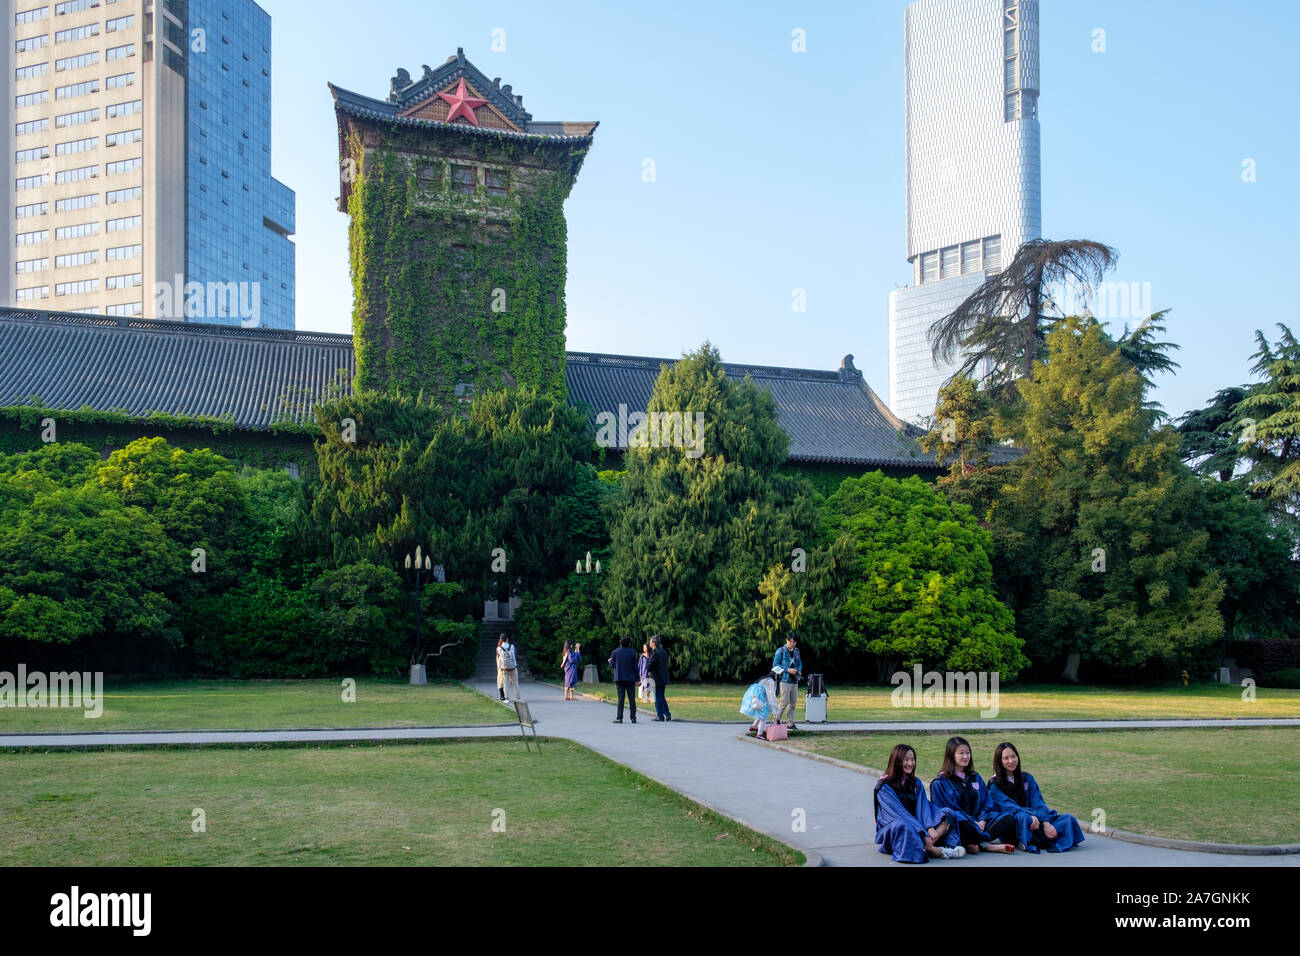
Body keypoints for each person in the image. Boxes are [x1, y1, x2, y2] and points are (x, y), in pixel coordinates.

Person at [873, 743, 965, 863]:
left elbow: (922, 808)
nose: (910, 764)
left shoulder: (915, 782)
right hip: (893, 828)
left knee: (947, 813)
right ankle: (935, 850)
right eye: (906, 760)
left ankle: (929, 844)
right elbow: (898, 812)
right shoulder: (884, 786)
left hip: (919, 825)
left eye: (912, 760)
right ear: (896, 761)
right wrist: (922, 831)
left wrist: (929, 828)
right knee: (903, 824)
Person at [987, 742, 1085, 853]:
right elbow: (1008, 807)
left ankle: (1040, 839)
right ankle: (1025, 840)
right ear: (999, 761)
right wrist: (1032, 815)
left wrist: (1045, 822)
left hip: (1037, 820)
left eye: (1013, 756)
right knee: (1023, 816)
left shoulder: (1027, 778)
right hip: (1016, 824)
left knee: (1068, 819)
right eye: (1006, 758)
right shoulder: (994, 783)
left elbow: (1038, 802)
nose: (1011, 761)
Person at [928, 736, 1016, 855]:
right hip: (962, 825)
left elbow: (987, 802)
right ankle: (985, 845)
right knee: (960, 821)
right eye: (961, 753)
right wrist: (972, 822)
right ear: (951, 755)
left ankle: (977, 843)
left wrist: (982, 820)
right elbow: (948, 811)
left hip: (980, 824)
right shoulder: (941, 782)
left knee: (1008, 818)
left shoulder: (975, 777)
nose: (965, 756)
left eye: (968, 753)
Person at [772, 632, 802, 729]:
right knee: (784, 702)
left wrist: (799, 670)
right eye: (790, 641)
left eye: (793, 642)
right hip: (784, 680)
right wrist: (788, 670)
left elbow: (799, 663)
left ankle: (790, 723)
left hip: (794, 681)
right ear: (787, 640)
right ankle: (776, 720)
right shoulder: (780, 651)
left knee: (793, 703)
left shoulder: (797, 651)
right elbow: (775, 665)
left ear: (796, 643)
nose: (791, 644)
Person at [740, 668, 781, 739]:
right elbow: (771, 696)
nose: (781, 675)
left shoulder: (766, 678)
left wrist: (771, 708)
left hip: (752, 694)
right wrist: (775, 710)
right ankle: (759, 734)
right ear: (777, 675)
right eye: (780, 674)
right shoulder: (771, 681)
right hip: (758, 696)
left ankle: (754, 726)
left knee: (761, 711)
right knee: (763, 715)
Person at [608, 636, 639, 723]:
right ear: (629, 643)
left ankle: (619, 717)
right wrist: (638, 679)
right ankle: (633, 718)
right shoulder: (633, 653)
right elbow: (635, 668)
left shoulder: (615, 652)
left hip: (620, 678)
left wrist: (609, 661)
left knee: (621, 699)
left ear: (620, 642)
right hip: (630, 678)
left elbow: (612, 666)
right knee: (632, 699)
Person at [647, 635, 672, 722]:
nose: (649, 643)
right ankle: (666, 714)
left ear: (653, 643)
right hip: (663, 677)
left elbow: (651, 663)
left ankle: (661, 715)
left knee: (657, 696)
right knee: (661, 696)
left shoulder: (655, 652)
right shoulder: (664, 651)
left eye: (650, 641)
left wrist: (648, 669)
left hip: (657, 677)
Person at [497, 632, 520, 702]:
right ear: (507, 639)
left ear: (500, 639)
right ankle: (518, 698)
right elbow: (513, 656)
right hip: (513, 667)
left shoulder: (499, 648)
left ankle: (507, 698)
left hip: (504, 668)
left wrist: (499, 668)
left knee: (505, 683)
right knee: (515, 682)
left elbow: (500, 659)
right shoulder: (512, 646)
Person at [495, 634, 507, 701]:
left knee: (500, 681)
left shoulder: (499, 648)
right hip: (507, 666)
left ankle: (502, 696)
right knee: (505, 682)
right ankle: (506, 696)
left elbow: (497, 658)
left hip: (500, 667)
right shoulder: (509, 646)